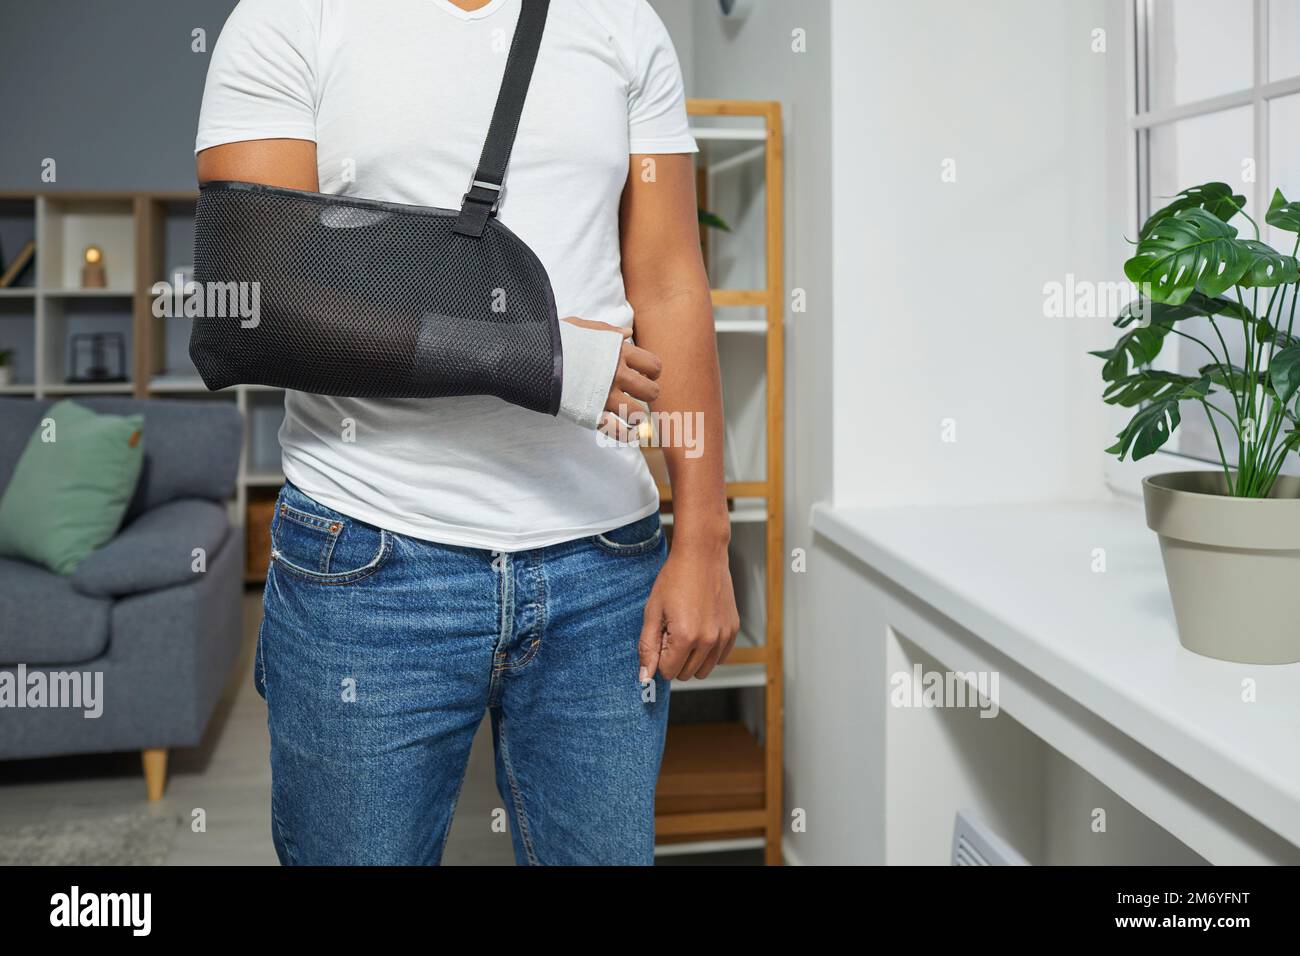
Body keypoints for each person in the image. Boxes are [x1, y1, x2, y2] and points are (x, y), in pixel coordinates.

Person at [195, 0, 739, 865]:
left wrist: (704, 536)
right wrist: (536, 357)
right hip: (368, 564)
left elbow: (672, 279)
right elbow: (259, 305)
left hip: (602, 567)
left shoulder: (622, 23)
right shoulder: (290, 17)